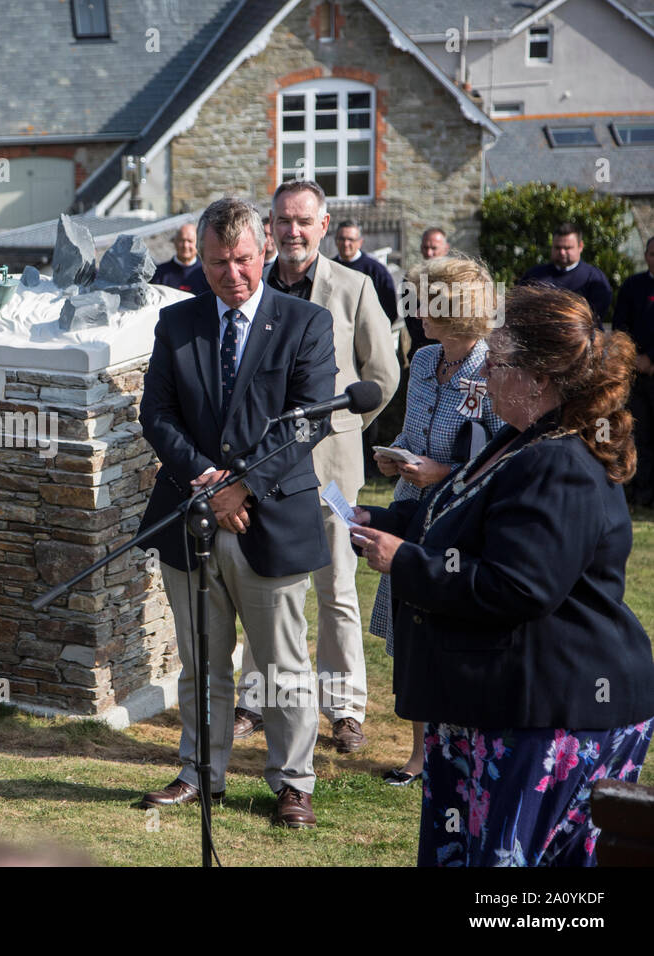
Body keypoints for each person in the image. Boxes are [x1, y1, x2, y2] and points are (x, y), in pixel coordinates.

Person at [352, 284, 654, 866]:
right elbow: (462, 519)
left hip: (556, 710)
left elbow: (517, 585)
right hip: (495, 703)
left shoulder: (559, 461)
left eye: (497, 362)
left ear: (539, 379)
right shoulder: (519, 439)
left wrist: (404, 561)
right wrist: (383, 520)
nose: (483, 372)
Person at [136, 196, 337, 827]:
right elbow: (157, 415)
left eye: (244, 260)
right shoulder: (178, 323)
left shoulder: (306, 323)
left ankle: (292, 781)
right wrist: (202, 477)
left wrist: (240, 488)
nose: (233, 275)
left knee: (282, 665)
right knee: (201, 659)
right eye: (220, 262)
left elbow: (308, 422)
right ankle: (200, 771)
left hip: (269, 519)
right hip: (189, 518)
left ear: (266, 250)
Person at [235, 180, 398, 754]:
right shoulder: (250, 287)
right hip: (263, 463)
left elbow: (382, 375)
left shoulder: (353, 288)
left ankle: (346, 708)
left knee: (335, 586)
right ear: (269, 226)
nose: (292, 230)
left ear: (324, 226)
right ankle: (254, 699)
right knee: (266, 583)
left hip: (331, 466)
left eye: (303, 220)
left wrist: (342, 424)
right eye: (282, 220)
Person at [369, 255, 505, 786]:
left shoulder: (495, 368)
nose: (417, 309)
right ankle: (419, 756)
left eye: (427, 300)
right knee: (414, 631)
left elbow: (503, 453)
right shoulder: (423, 360)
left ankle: (464, 750)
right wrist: (395, 454)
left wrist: (443, 472)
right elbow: (413, 430)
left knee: (450, 631)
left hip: (465, 518)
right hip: (411, 507)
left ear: (459, 310)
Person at [612, 235, 654, 508]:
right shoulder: (633, 286)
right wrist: (635, 358)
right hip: (636, 375)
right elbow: (620, 326)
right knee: (640, 434)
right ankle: (642, 493)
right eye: (652, 253)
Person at [518, 222, 612, 327]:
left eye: (567, 248)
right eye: (557, 248)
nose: (562, 252)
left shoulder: (594, 278)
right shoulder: (535, 275)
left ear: (580, 246)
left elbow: (596, 316)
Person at [333, 219, 398, 326]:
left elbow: (389, 310)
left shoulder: (376, 270)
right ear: (336, 241)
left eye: (350, 239)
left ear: (360, 242)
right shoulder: (329, 267)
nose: (346, 244)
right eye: (342, 239)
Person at [406, 228, 451, 360]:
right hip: (422, 351)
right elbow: (412, 320)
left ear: (446, 248)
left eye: (434, 248)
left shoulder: (455, 279)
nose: (429, 253)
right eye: (425, 248)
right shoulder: (412, 278)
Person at [150, 223, 209, 295]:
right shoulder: (159, 273)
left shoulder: (207, 273)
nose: (185, 245)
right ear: (175, 242)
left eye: (190, 241)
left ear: (198, 243)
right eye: (182, 240)